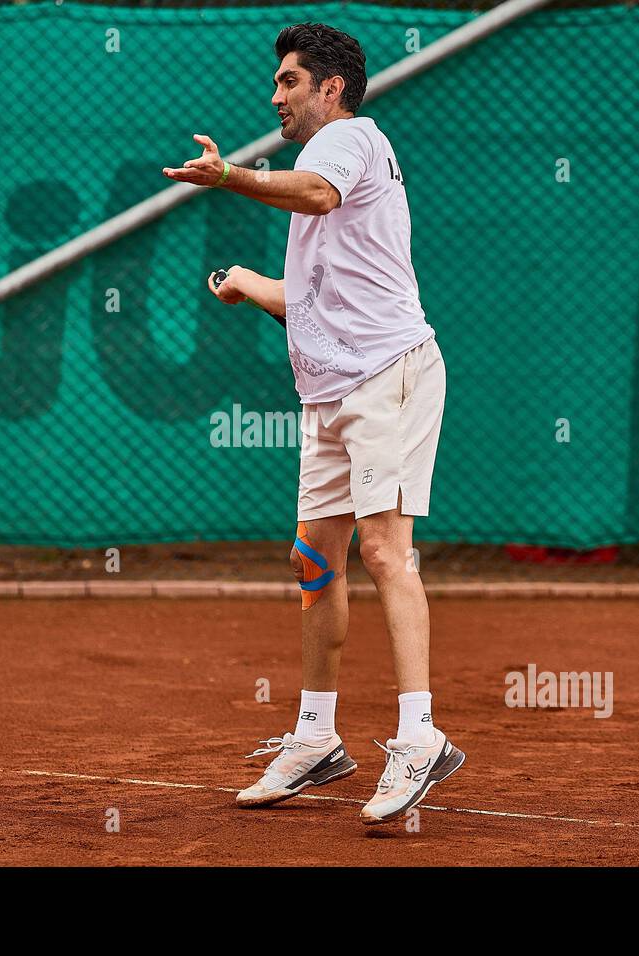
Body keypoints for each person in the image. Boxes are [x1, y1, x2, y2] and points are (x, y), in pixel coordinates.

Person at [162, 22, 462, 825]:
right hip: (329, 393)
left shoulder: (348, 142)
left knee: (385, 550)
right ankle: (317, 736)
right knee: (316, 561)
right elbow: (315, 301)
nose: (276, 96)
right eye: (277, 82)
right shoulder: (325, 175)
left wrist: (229, 176)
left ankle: (420, 736)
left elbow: (318, 193)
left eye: (289, 81)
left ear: (331, 89)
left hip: (388, 376)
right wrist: (249, 283)